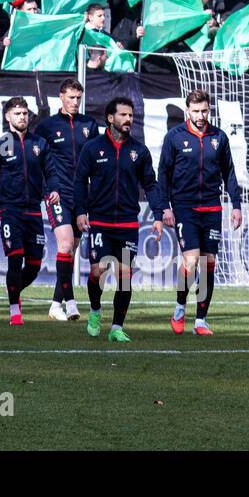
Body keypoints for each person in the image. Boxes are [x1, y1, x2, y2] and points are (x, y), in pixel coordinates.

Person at [155, 90, 242, 336]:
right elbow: (163, 174)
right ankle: (180, 308)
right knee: (191, 261)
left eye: (204, 110)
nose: (200, 115)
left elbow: (229, 173)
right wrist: (164, 207)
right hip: (184, 207)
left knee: (208, 262)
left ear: (209, 109)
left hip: (212, 207)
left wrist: (236, 205)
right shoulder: (174, 137)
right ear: (187, 111)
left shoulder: (219, 137)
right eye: (196, 111)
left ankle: (201, 321)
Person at [72, 97, 160, 344]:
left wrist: (159, 213)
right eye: (123, 115)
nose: (128, 120)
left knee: (124, 275)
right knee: (97, 272)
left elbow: (150, 185)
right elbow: (80, 181)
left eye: (130, 115)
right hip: (99, 221)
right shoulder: (93, 148)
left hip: (127, 224)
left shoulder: (139, 151)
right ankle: (96, 310)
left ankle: (117, 327)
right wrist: (80, 211)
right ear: (110, 118)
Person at [32, 78, 100, 322]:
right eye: (71, 97)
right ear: (61, 97)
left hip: (81, 196)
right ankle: (70, 304)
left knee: (71, 252)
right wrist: (47, 188)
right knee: (65, 245)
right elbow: (36, 159)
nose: (75, 102)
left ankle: (54, 304)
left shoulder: (89, 125)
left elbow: (94, 160)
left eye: (78, 98)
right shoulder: (47, 126)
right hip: (57, 193)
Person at [0, 98, 57, 326]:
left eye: (25, 113)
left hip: (34, 211)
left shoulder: (40, 144)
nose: (22, 117)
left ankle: (14, 290)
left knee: (34, 266)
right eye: (17, 113)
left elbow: (51, 171)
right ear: (8, 117)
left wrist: (53, 188)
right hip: (10, 210)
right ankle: (14, 309)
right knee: (15, 259)